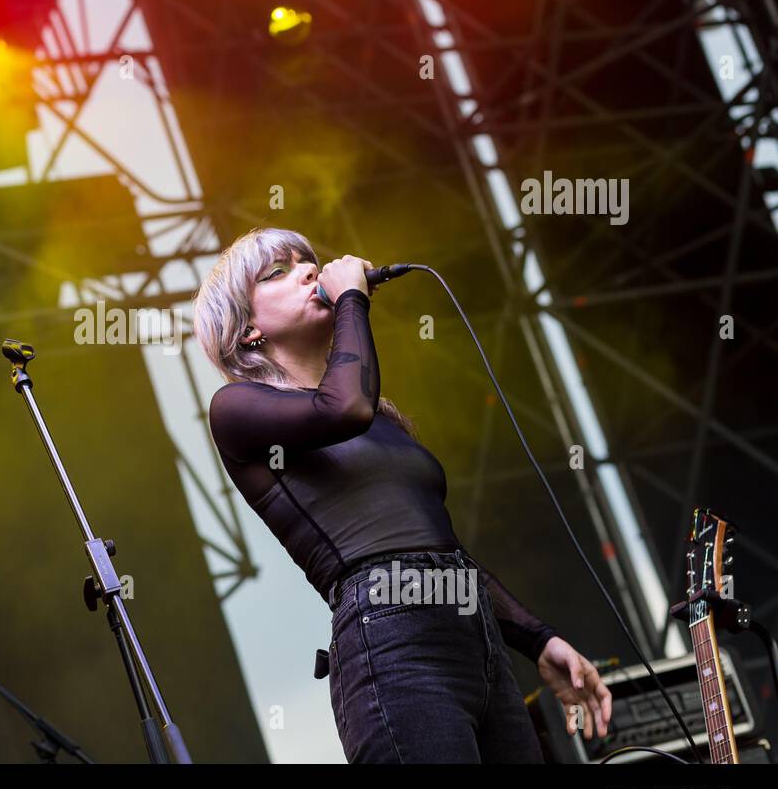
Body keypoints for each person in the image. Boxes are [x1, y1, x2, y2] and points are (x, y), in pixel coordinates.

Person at [190, 226, 612, 762]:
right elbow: (344, 408)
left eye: (309, 260)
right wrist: (349, 298)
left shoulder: (381, 419)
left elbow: (443, 551)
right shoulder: (237, 408)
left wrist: (539, 639)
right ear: (247, 328)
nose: (309, 270)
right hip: (391, 642)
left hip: (474, 635)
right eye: (280, 271)